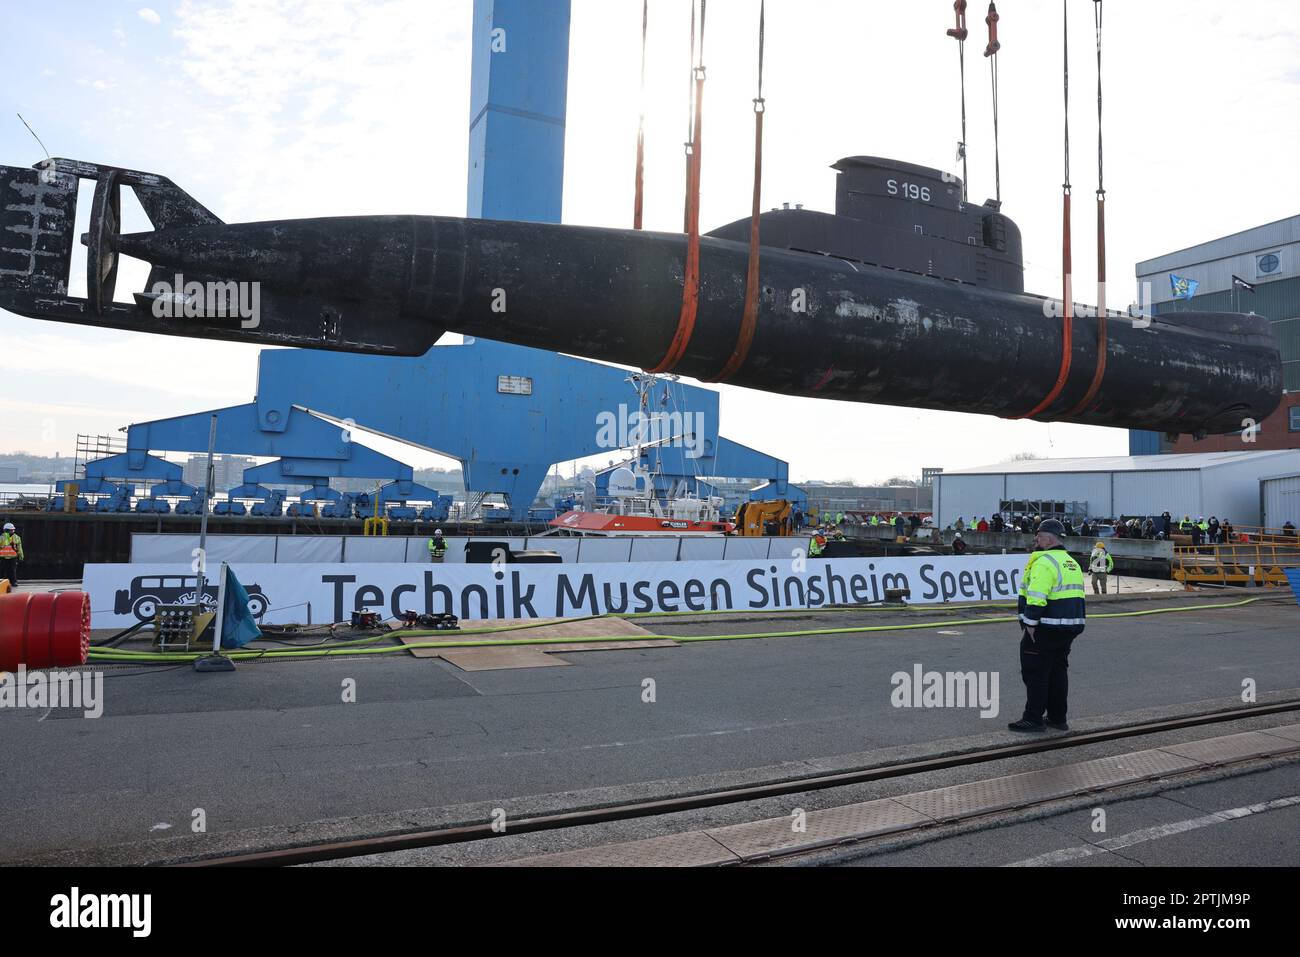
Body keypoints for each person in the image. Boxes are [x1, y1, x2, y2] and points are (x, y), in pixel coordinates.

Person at [1009, 519, 1087, 733]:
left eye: (1039, 535)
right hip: (1068, 627)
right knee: (1057, 672)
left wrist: (1030, 624)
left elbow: (1036, 596)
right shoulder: (1070, 562)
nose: (1036, 538)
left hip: (1045, 627)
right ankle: (1057, 717)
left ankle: (1033, 718)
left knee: (1036, 673)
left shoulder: (1044, 561)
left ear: (1050, 539)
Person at [0, 522, 22, 587]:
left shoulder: (17, 537)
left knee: (13, 570)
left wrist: (21, 556)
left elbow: (19, 547)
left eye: (13, 530)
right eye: (11, 530)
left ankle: (14, 582)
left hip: (13, 557)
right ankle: (2, 583)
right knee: (3, 570)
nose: (13, 531)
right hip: (3, 557)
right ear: (6, 530)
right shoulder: (1, 538)